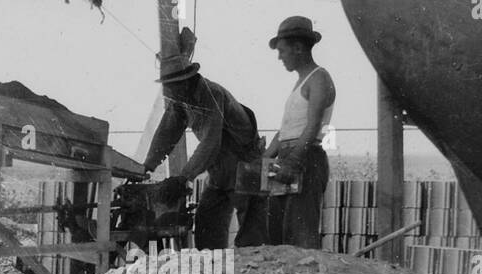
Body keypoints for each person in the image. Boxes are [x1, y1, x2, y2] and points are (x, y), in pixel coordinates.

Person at [141, 46, 267, 250]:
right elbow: (166, 133)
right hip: (220, 168)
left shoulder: (211, 94)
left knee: (252, 235)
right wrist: (148, 164)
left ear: (185, 81)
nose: (168, 92)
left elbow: (210, 142)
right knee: (208, 224)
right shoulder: (181, 100)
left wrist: (184, 177)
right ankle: (213, 272)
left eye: (171, 87)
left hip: (246, 164)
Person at [265, 16, 336, 250]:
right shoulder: (301, 83)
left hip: (306, 160)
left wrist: (293, 162)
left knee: (301, 233)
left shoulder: (319, 78)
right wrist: (264, 159)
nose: (279, 57)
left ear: (298, 48)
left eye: (283, 50)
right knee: (282, 233)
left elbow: (313, 126)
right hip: (289, 158)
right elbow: (286, 130)